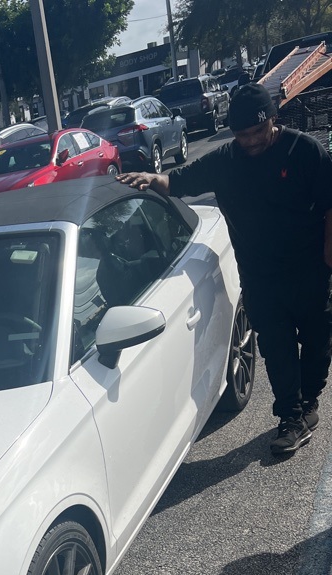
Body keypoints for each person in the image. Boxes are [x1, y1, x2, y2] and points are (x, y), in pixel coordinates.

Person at [117, 82, 332, 456]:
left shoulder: (303, 151)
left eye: (257, 131)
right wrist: (151, 179)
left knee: (318, 344)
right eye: (241, 134)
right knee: (277, 349)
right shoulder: (225, 161)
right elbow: (178, 181)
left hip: (309, 270)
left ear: (273, 119)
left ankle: (308, 399)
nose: (250, 141)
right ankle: (291, 418)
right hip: (261, 278)